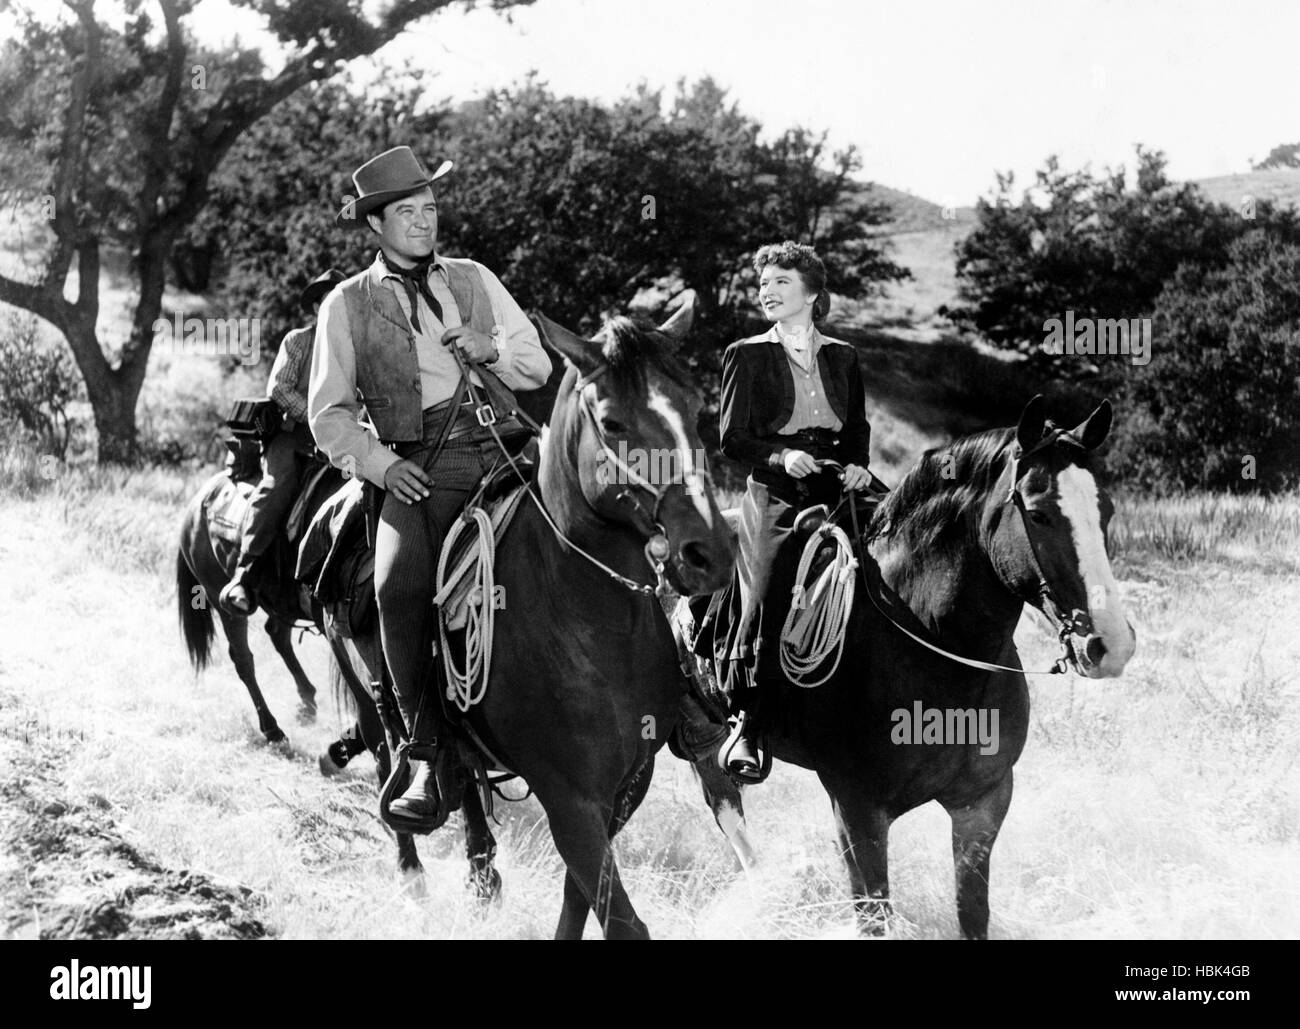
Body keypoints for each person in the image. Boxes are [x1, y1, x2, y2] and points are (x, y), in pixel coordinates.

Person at [309, 146, 551, 823]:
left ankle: (684, 701)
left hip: (509, 448)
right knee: (397, 586)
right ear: (375, 224)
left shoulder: (474, 277)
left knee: (609, 518)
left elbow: (536, 365)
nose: (424, 222)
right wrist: (383, 467)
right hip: (421, 469)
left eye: (431, 209)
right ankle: (422, 751)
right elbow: (328, 415)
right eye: (407, 213)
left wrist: (491, 348)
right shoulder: (346, 304)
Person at [716, 240, 873, 783]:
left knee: (906, 544)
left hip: (838, 482)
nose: (768, 290)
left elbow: (857, 428)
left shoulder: (844, 355)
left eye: (781, 282)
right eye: (763, 283)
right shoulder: (746, 354)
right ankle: (749, 721)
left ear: (811, 294)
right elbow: (732, 439)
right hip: (777, 488)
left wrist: (858, 465)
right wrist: (781, 455)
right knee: (768, 584)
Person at [220, 268, 345, 615]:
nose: (338, 308)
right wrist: (317, 416)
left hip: (341, 439)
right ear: (317, 308)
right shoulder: (298, 341)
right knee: (278, 488)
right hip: (293, 437)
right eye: (330, 301)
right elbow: (279, 388)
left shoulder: (357, 347)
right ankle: (244, 574)